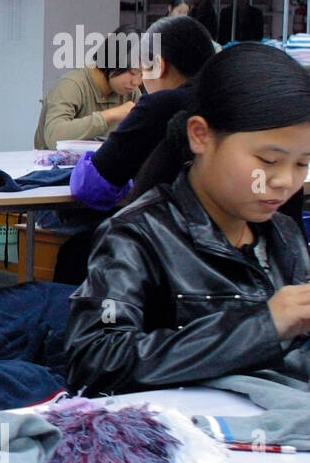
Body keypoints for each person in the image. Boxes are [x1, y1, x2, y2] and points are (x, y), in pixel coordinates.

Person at [65, 43, 310, 395]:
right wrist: (263, 326)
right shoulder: (135, 238)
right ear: (200, 135)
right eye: (268, 161)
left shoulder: (283, 236)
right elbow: (96, 360)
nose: (286, 181)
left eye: (302, 163)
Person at [54, 15, 217, 285]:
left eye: (142, 70)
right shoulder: (227, 101)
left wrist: (94, 160)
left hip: (164, 246)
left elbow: (91, 187)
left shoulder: (159, 105)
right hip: (218, 244)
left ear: (160, 65)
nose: (139, 80)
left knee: (75, 253)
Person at [34, 25, 142, 150]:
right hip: (56, 166)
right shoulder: (72, 85)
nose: (136, 82)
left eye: (142, 74)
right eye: (133, 72)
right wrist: (109, 115)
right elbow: (54, 137)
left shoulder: (131, 93)